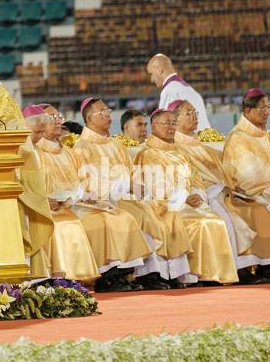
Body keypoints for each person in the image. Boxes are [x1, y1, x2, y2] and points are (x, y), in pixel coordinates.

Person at [72, 97, 191, 289]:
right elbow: (86, 182)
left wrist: (137, 184)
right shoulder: (81, 148)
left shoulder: (116, 145)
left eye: (109, 111)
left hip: (125, 196)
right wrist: (119, 186)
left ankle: (151, 273)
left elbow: (133, 171)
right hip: (101, 201)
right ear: (89, 119)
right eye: (103, 113)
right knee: (132, 216)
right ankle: (116, 275)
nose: (108, 116)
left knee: (151, 210)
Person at [34, 106, 147, 289]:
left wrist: (85, 194)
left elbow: (83, 181)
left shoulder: (69, 152)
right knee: (101, 221)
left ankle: (119, 274)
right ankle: (101, 277)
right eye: (51, 117)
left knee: (120, 216)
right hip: (55, 208)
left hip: (75, 202)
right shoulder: (36, 153)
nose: (57, 121)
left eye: (58, 116)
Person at [133, 111, 237, 285]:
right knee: (200, 224)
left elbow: (195, 178)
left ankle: (212, 274)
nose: (170, 127)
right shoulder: (147, 153)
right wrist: (183, 198)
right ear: (154, 126)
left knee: (215, 220)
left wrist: (198, 193)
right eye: (165, 123)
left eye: (173, 123)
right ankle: (194, 274)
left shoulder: (181, 152)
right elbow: (155, 186)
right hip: (167, 205)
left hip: (189, 201)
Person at [171, 100, 263, 281]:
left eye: (195, 112)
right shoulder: (176, 146)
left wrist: (233, 185)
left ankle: (255, 266)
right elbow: (190, 177)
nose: (194, 116)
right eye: (188, 113)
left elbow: (221, 171)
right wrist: (219, 189)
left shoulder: (199, 144)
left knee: (257, 208)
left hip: (221, 190)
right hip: (206, 194)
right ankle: (238, 270)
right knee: (230, 219)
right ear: (175, 119)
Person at [22, 106, 98, 284]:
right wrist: (43, 201)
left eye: (41, 131)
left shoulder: (41, 151)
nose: (39, 136)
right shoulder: (22, 150)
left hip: (57, 205)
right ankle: (50, 277)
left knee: (69, 221)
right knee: (60, 224)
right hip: (30, 207)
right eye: (37, 132)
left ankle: (67, 277)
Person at [220, 90, 270, 279]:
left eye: (268, 107)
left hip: (264, 188)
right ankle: (262, 265)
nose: (266, 112)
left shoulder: (264, 134)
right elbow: (247, 176)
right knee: (261, 210)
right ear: (248, 110)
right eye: (262, 108)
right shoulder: (238, 138)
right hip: (245, 194)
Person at [146, 53, 210, 131]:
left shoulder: (170, 90)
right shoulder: (187, 88)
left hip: (189, 141)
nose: (151, 80)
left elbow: (164, 126)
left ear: (160, 70)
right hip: (205, 139)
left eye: (151, 74)